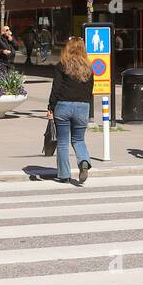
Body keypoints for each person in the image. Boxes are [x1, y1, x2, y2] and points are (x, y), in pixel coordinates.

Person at [47, 36, 94, 184]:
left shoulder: (62, 66)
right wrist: (88, 110)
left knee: (62, 142)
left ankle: (64, 175)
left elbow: (56, 89)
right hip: (82, 107)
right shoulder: (89, 68)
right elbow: (90, 91)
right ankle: (84, 161)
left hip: (63, 106)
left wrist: (50, 107)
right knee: (79, 139)